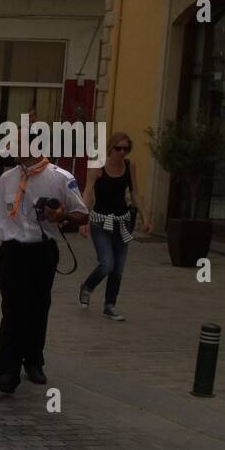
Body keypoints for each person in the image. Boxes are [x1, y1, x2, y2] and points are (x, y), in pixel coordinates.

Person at [0, 141, 89, 393]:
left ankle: (34, 360)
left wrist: (62, 217)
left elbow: (82, 213)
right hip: (12, 251)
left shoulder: (60, 178)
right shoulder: (6, 179)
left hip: (41, 250)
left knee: (37, 308)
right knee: (12, 310)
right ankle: (7, 371)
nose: (12, 148)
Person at [79, 132, 149, 321]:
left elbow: (134, 192)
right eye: (118, 148)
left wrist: (145, 217)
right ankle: (87, 286)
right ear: (110, 148)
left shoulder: (129, 166)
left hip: (122, 221)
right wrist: (82, 221)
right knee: (107, 263)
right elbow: (87, 194)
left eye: (126, 149)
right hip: (100, 221)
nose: (122, 152)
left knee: (118, 267)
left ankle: (109, 305)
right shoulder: (97, 166)